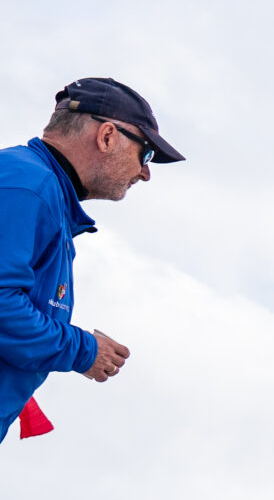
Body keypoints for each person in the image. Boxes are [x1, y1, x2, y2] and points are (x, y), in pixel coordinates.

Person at [2, 79, 181, 442]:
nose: (145, 173)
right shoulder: (27, 186)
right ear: (108, 137)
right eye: (145, 154)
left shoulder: (38, 190)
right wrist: (83, 350)